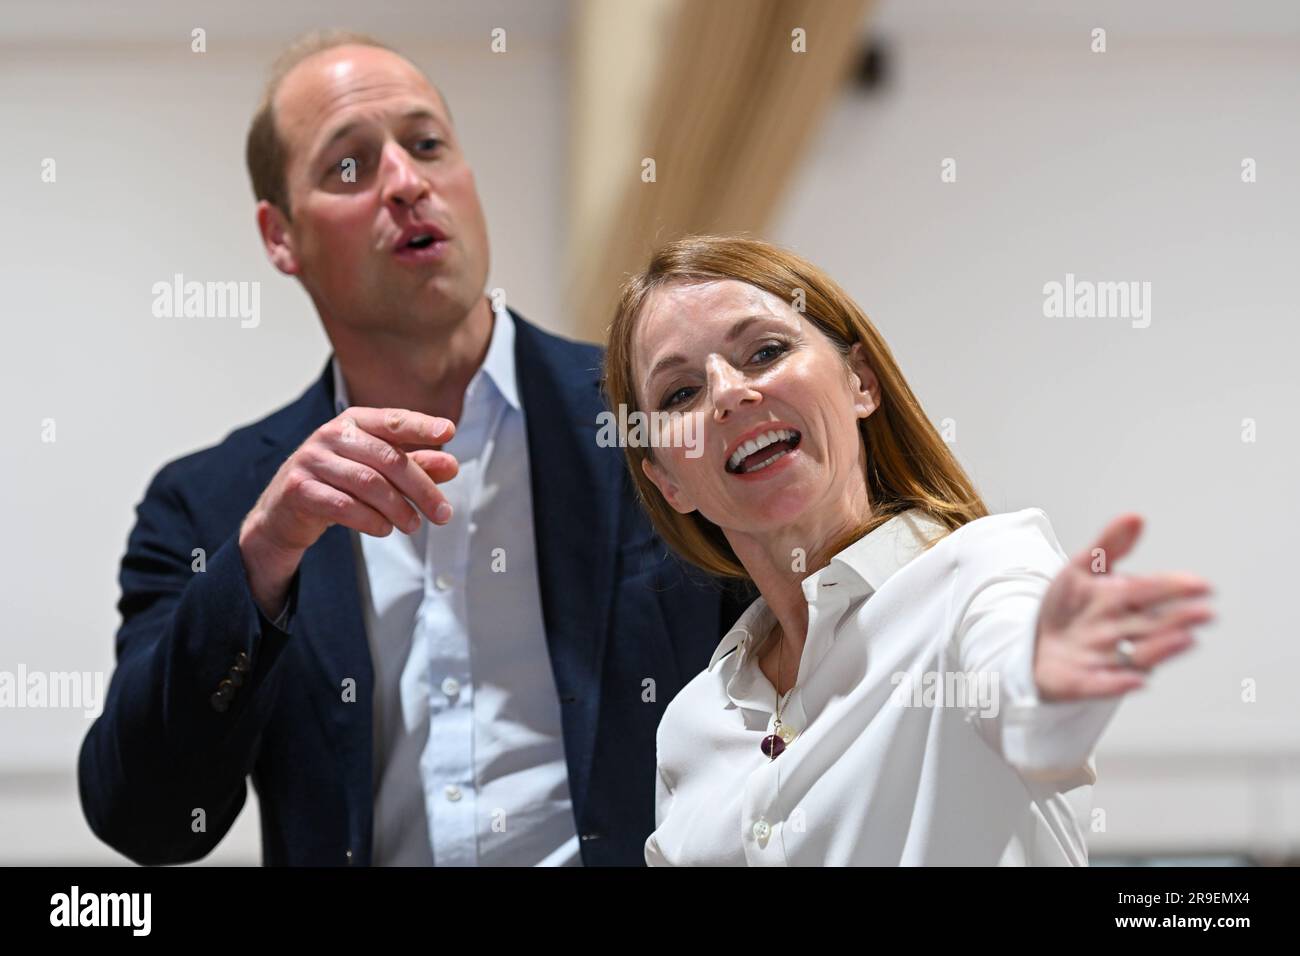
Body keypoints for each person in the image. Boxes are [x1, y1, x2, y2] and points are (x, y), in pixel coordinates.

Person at [78, 31, 750, 867]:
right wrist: (259, 565)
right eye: (351, 167)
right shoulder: (209, 507)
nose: (405, 182)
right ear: (279, 236)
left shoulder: (651, 420)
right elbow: (141, 815)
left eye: (427, 145)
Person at [601, 234, 1216, 865]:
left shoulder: (983, 573)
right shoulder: (690, 724)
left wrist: (1046, 682)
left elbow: (1023, 698)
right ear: (668, 481)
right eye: (680, 394)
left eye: (764, 351)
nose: (730, 393)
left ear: (860, 382)